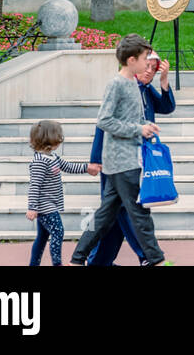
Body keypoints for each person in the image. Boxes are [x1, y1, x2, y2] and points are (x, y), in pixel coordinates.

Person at [69, 35, 167, 266]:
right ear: (131, 60)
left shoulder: (134, 84)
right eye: (145, 59)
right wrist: (138, 129)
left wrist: (146, 126)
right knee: (140, 212)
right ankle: (156, 259)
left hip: (125, 159)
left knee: (105, 216)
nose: (148, 64)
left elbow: (131, 118)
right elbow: (104, 120)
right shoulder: (116, 84)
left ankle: (76, 259)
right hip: (122, 161)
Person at [27, 120, 96, 266]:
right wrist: (32, 207)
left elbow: (68, 166)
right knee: (58, 232)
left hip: (50, 204)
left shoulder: (53, 157)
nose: (60, 140)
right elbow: (35, 186)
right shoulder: (40, 162)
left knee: (42, 237)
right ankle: (57, 263)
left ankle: (34, 264)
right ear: (49, 139)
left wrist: (86, 168)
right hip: (45, 206)